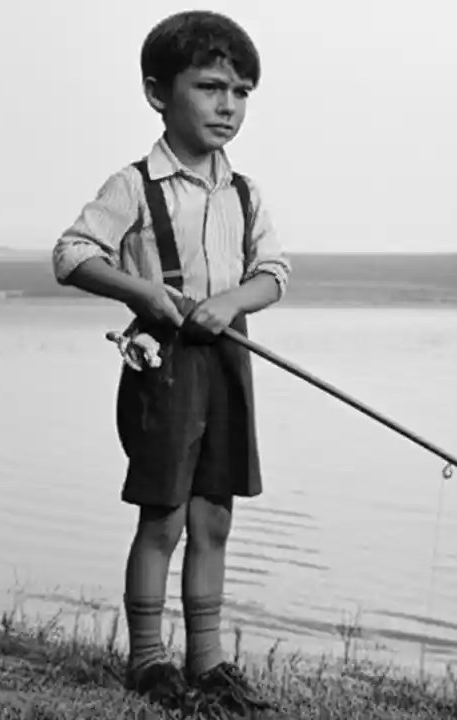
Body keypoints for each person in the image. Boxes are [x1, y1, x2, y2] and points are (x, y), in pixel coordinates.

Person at [51, 10, 290, 715]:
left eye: (241, 92)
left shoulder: (246, 192)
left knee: (213, 516)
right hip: (164, 365)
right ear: (158, 93)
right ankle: (149, 662)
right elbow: (70, 254)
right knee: (164, 516)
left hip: (229, 359)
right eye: (210, 87)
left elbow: (274, 273)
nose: (228, 106)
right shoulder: (134, 185)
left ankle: (207, 663)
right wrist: (144, 293)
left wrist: (233, 301)